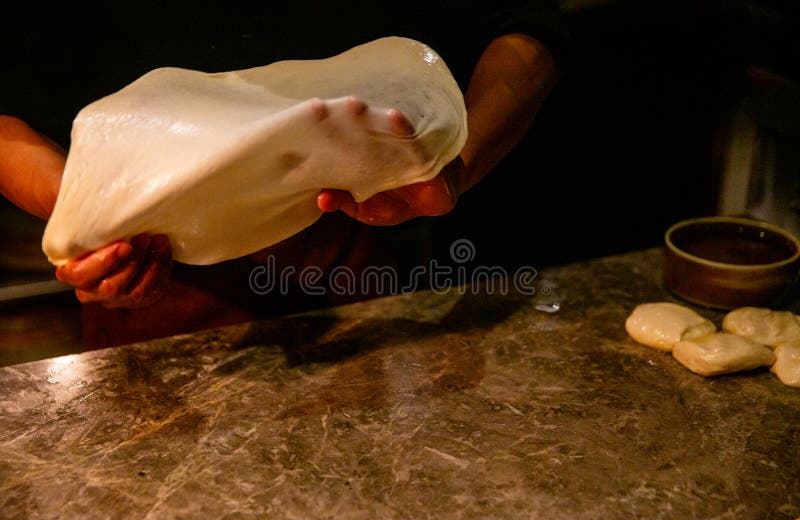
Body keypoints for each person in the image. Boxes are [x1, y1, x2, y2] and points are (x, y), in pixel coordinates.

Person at [0, 1, 568, 349]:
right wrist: (86, 215)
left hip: (367, 251)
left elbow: (522, 30)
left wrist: (458, 165)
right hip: (159, 276)